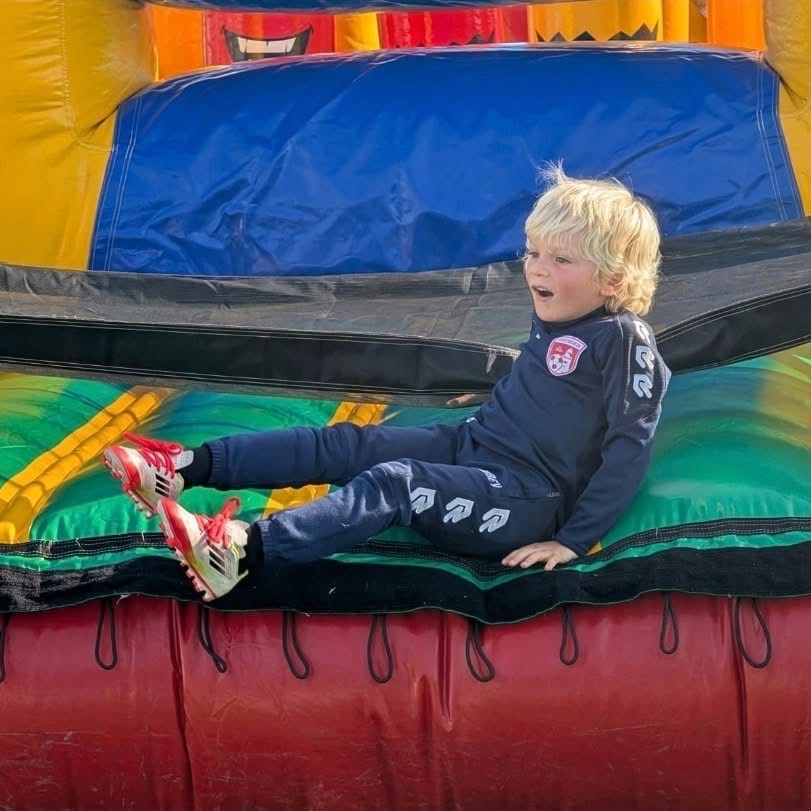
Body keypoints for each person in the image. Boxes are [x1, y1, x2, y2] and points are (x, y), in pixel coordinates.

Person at [102, 166, 671, 602]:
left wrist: (572, 539)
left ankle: (243, 553)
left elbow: (631, 445)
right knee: (347, 443)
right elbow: (553, 388)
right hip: (476, 445)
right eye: (533, 251)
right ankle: (179, 471)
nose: (537, 268)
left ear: (613, 279)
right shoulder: (561, 314)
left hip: (523, 498)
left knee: (394, 482)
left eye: (560, 259)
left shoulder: (624, 339)